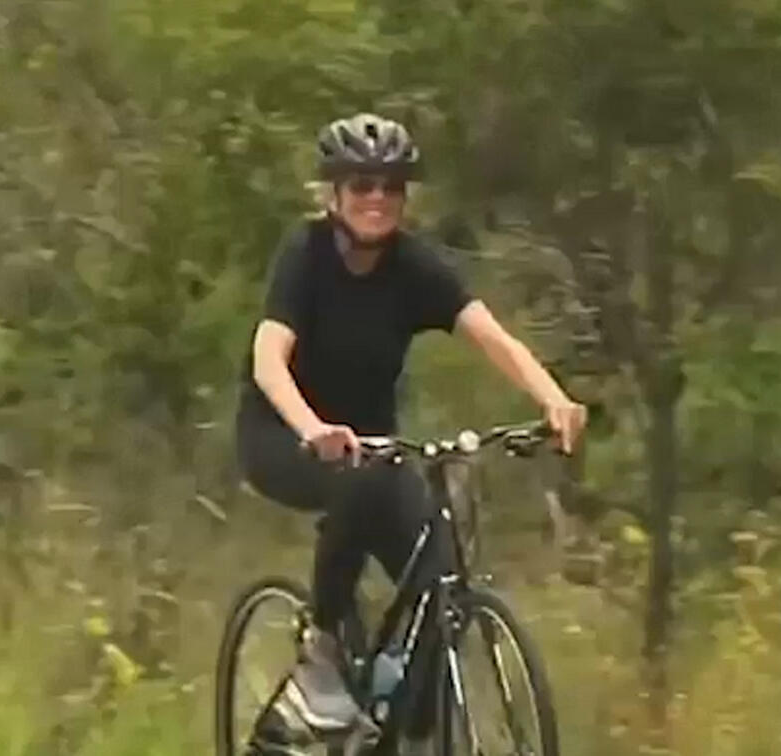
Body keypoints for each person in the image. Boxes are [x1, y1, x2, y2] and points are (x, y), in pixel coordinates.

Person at [236, 113, 587, 754]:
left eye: (391, 186)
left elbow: (493, 337)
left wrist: (553, 400)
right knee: (359, 482)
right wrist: (313, 428)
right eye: (362, 183)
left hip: (375, 446)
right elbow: (268, 358)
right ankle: (320, 660)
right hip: (280, 435)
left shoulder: (414, 267)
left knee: (442, 577)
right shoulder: (306, 255)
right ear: (333, 194)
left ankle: (395, 725)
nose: (377, 198)